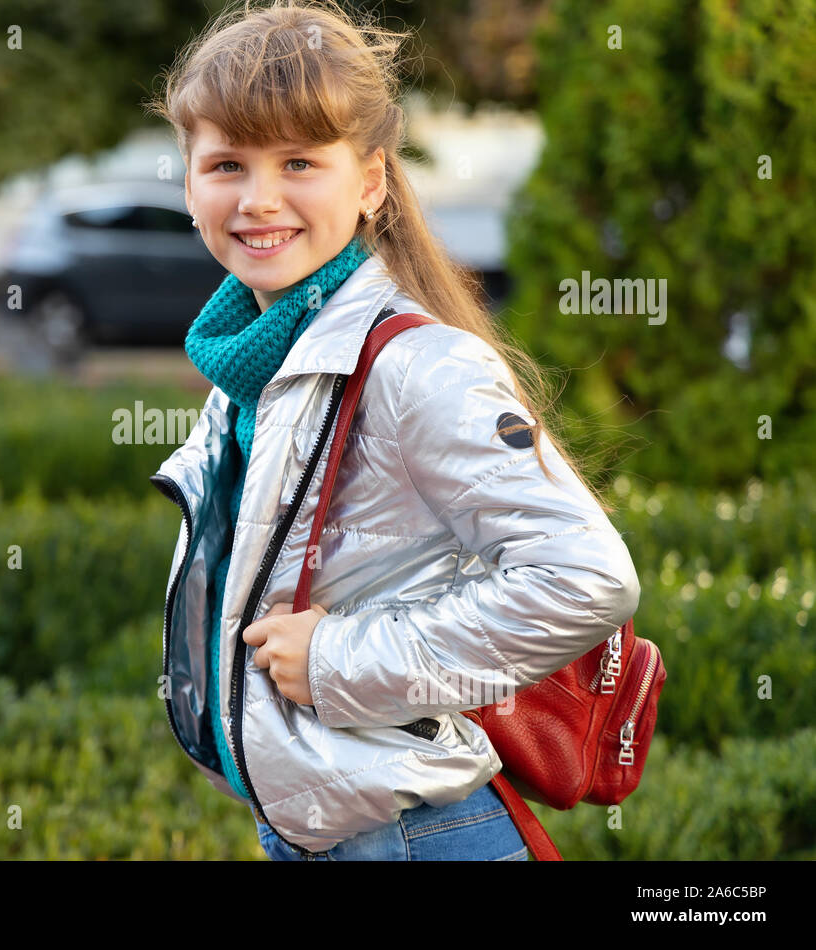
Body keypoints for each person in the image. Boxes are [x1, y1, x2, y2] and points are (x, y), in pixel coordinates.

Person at [143, 0, 641, 861]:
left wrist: (337, 661)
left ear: (370, 181)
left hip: (420, 838)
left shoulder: (415, 365)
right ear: (189, 184)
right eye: (226, 165)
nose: (259, 199)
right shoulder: (251, 368)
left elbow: (586, 579)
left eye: (300, 161)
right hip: (329, 833)